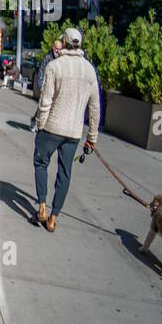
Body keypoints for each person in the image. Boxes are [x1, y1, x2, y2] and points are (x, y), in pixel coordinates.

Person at [32, 27, 100, 233]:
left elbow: (45, 101)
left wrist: (41, 124)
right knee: (65, 173)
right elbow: (95, 107)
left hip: (52, 127)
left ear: (64, 41)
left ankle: (42, 206)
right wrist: (92, 137)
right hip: (73, 133)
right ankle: (54, 217)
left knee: (41, 162)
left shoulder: (55, 66)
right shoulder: (89, 70)